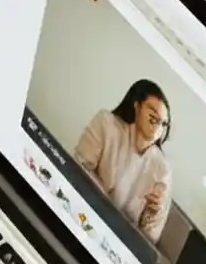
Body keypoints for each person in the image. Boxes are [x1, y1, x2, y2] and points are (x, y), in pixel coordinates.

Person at [73, 79, 173, 244]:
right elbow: (78, 167)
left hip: (117, 241)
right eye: (153, 115)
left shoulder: (162, 169)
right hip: (83, 210)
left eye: (163, 123)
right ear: (137, 106)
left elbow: (150, 239)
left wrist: (151, 215)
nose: (158, 126)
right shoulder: (106, 123)